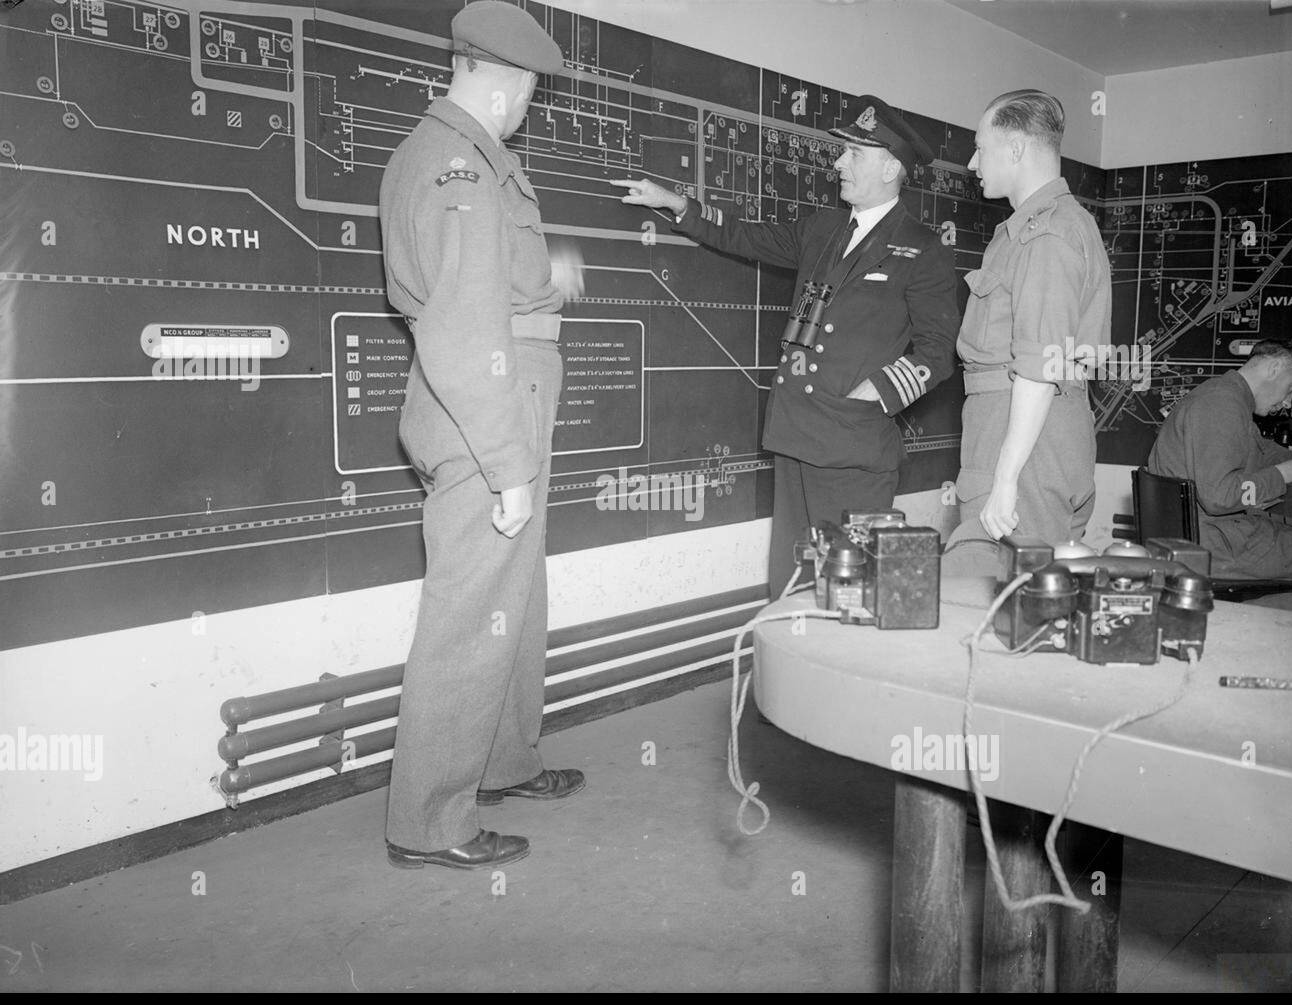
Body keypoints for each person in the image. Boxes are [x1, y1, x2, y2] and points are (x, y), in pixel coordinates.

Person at [378, 1, 584, 871]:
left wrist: (544, 275)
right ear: (512, 83)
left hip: (503, 403)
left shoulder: (461, 158)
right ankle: (430, 823)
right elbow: (462, 333)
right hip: (484, 417)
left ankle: (501, 761)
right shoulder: (460, 165)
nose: (530, 104)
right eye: (532, 89)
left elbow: (491, 286)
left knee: (514, 601)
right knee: (468, 616)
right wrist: (507, 466)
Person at [613, 96, 959, 598]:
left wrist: (874, 393)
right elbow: (744, 235)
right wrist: (678, 205)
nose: (838, 163)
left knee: (850, 590)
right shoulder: (822, 229)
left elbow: (937, 351)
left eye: (854, 155)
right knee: (794, 579)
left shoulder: (922, 249)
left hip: (854, 446)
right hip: (795, 433)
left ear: (890, 167)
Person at [944, 90, 1111, 575]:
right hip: (1038, 434)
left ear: (1016, 148)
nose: (974, 162)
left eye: (981, 146)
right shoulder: (1042, 229)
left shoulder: (1046, 235)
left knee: (997, 603)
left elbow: (1040, 369)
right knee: (1029, 604)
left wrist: (1007, 478)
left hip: (1020, 440)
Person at [1147, 340, 1292, 579]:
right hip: (1209, 543)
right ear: (1274, 368)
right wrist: (1284, 474)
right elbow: (1219, 497)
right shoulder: (1222, 404)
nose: (1288, 403)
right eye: (1291, 390)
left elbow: (1258, 451)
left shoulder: (1226, 395)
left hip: (1202, 533)